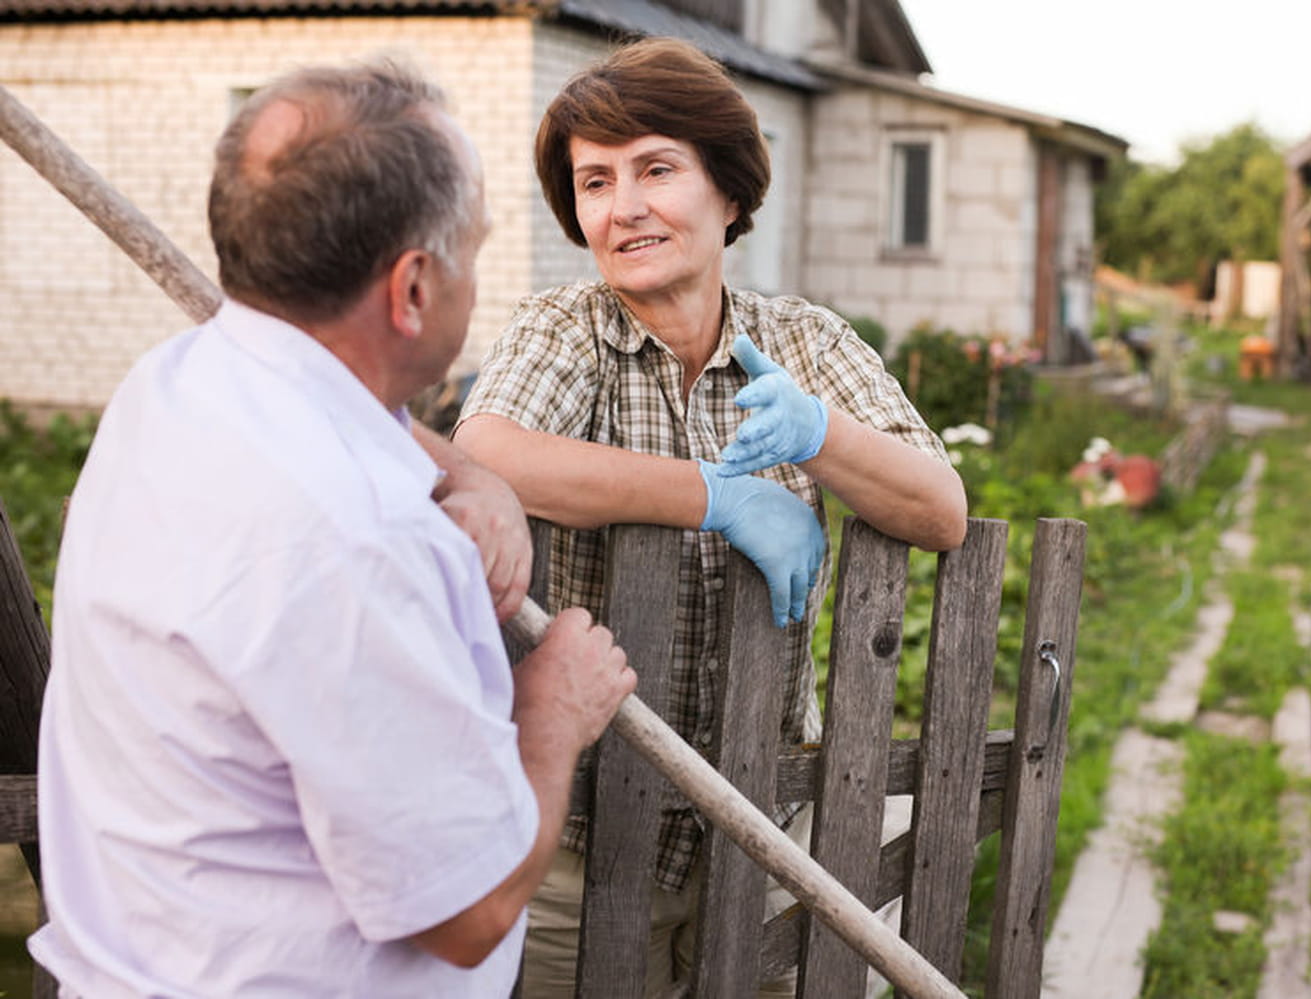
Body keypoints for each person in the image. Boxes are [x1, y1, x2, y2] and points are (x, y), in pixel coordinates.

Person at [28, 60, 636, 997]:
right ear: (414, 291)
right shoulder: (356, 543)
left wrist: (469, 468)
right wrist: (551, 715)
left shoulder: (173, 385)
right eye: (471, 249)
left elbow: (357, 417)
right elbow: (465, 914)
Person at [451, 36, 968, 996]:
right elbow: (486, 454)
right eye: (595, 182)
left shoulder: (803, 341)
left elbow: (939, 508)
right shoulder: (569, 330)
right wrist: (716, 493)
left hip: (771, 817)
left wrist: (818, 434)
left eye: (657, 169)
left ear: (728, 192)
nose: (626, 207)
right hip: (583, 828)